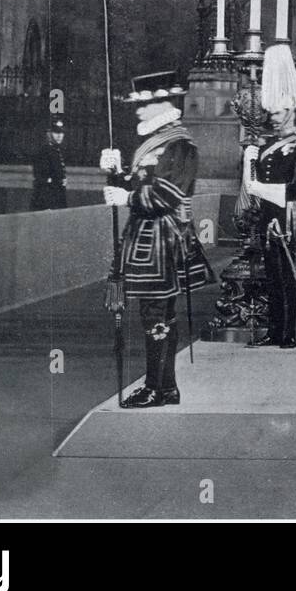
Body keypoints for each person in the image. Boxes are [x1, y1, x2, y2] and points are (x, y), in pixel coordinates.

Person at [100, 70, 212, 408]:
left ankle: (158, 387)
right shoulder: (159, 143)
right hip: (148, 240)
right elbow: (144, 183)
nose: (138, 110)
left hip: (162, 242)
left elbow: (166, 196)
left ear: (164, 104)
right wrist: (117, 172)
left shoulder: (179, 146)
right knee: (158, 315)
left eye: (145, 105)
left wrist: (126, 197)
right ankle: (163, 387)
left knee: (157, 315)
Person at [243, 45, 296, 347]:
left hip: (290, 215)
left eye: (276, 112)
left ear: (290, 110)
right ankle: (274, 330)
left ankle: (289, 333)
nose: (271, 117)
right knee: (272, 276)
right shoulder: (265, 146)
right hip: (269, 216)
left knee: (290, 275)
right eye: (270, 112)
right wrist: (249, 160)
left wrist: (259, 188)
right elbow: (251, 184)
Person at [31, 117, 68, 209]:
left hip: (57, 196)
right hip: (47, 198)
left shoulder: (57, 150)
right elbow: (41, 178)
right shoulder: (44, 152)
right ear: (49, 134)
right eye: (56, 133)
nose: (59, 136)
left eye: (62, 133)